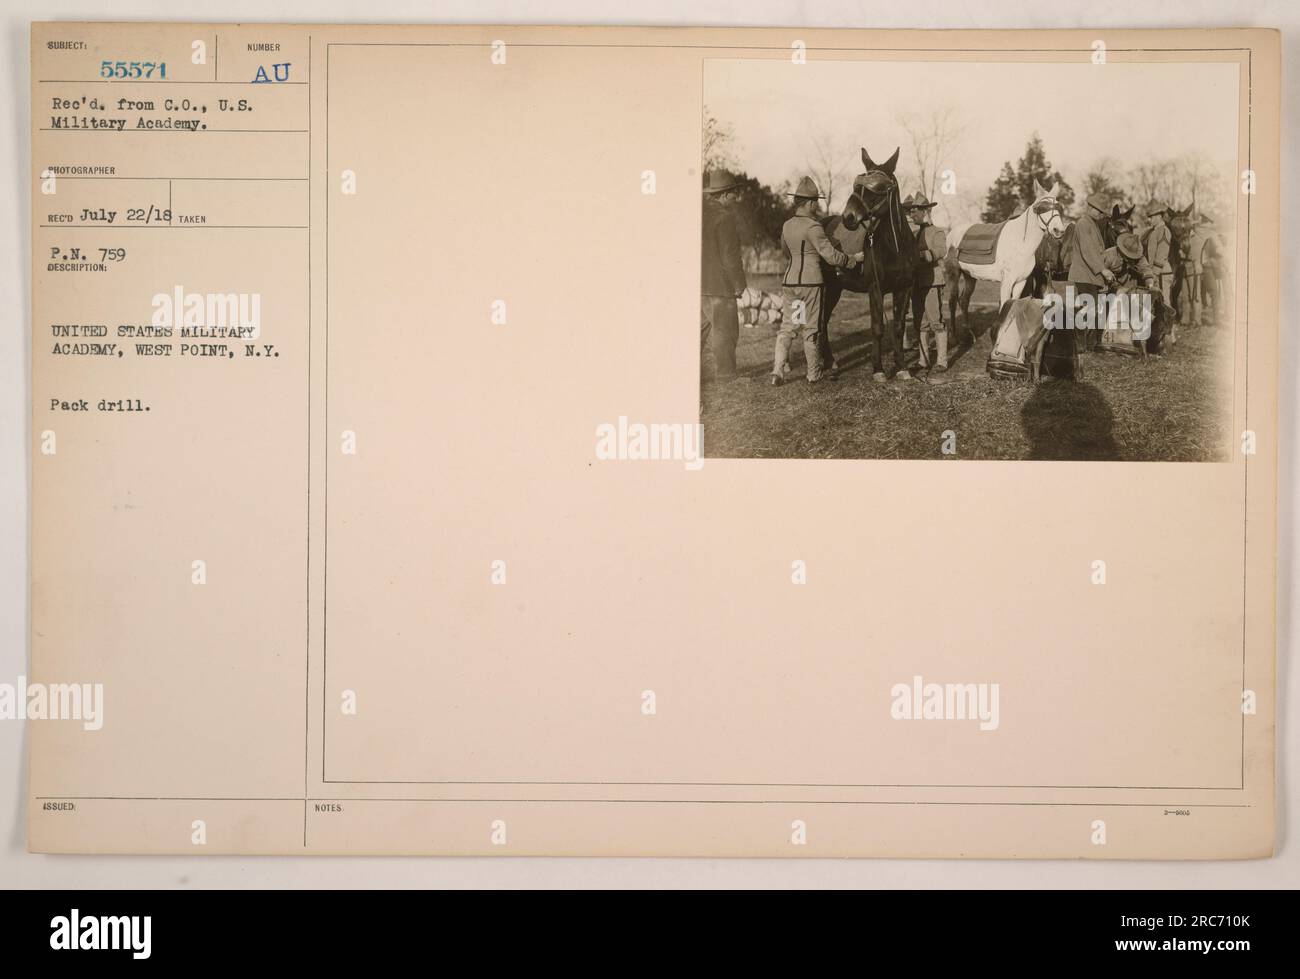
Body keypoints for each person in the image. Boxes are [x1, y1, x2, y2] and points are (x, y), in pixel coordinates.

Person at [771, 175, 863, 386]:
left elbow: (787, 252)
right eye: (816, 202)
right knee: (811, 328)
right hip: (811, 284)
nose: (816, 206)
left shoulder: (786, 226)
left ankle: (777, 370)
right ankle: (814, 373)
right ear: (810, 203)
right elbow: (829, 255)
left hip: (790, 282)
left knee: (789, 326)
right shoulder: (814, 227)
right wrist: (853, 260)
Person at [1060, 191, 1115, 373]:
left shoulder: (1091, 224)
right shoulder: (1084, 224)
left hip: (1090, 276)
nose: (1101, 214)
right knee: (1085, 312)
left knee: (1091, 311)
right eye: (1098, 210)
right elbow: (1088, 251)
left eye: (1101, 211)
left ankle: (1088, 346)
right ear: (1090, 208)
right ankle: (1081, 348)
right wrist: (1103, 270)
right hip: (1084, 275)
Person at [700, 170, 747, 381]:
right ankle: (726, 375)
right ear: (725, 194)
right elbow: (730, 257)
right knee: (725, 331)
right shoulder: (724, 218)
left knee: (699, 332)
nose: (736, 198)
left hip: (698, 285)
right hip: (720, 287)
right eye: (734, 194)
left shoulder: (699, 214)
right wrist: (738, 285)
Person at [902, 191, 950, 372]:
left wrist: (921, 255)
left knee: (936, 321)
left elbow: (941, 250)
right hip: (916, 282)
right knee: (920, 322)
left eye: (915, 211)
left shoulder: (937, 231)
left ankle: (942, 361)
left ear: (925, 212)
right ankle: (923, 361)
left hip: (932, 282)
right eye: (911, 211)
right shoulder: (913, 234)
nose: (911, 214)